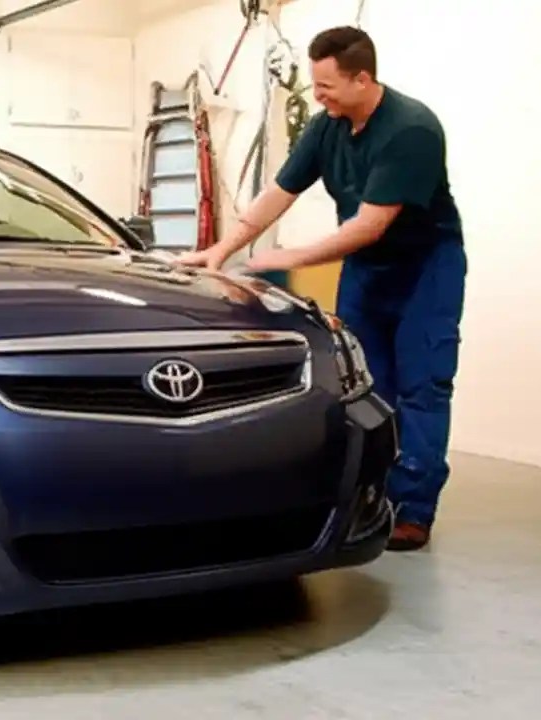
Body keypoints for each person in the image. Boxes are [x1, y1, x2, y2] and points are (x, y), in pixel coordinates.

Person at [177, 25, 466, 552]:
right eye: (314, 85)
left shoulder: (412, 130)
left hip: (426, 268)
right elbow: (278, 193)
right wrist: (224, 248)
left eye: (327, 85)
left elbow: (371, 224)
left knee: (422, 385)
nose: (318, 95)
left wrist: (290, 256)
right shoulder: (327, 125)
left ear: (363, 79)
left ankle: (415, 509)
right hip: (366, 269)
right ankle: (370, 495)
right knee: (365, 385)